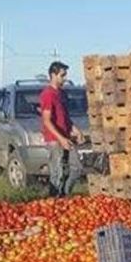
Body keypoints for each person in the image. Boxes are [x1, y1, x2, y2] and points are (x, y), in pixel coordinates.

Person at [39, 61, 84, 197]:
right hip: (55, 139)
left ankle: (64, 194)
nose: (64, 79)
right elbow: (46, 120)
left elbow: (65, 117)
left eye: (65, 75)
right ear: (53, 75)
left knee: (77, 168)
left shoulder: (61, 94)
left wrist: (76, 130)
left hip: (66, 137)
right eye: (62, 75)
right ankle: (54, 200)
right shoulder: (48, 94)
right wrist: (61, 138)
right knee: (57, 172)